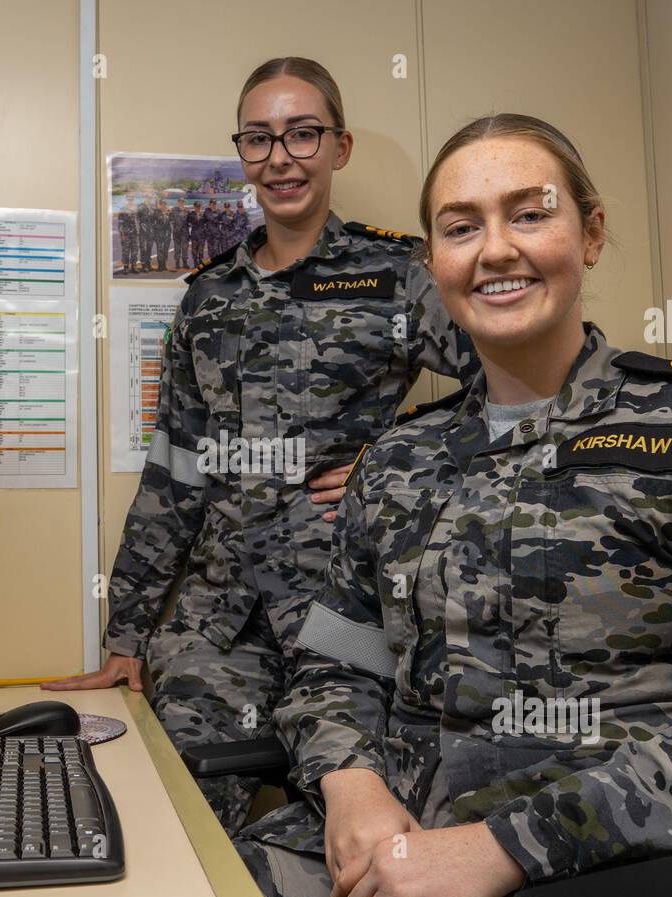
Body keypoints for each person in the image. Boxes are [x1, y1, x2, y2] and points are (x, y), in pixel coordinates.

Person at [232, 112, 672, 897]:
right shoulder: (395, 461)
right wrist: (351, 785)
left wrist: (505, 847)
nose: (496, 249)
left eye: (530, 213)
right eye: (461, 227)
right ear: (433, 263)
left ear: (591, 233)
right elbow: (334, 666)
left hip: (591, 879)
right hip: (377, 853)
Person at [47, 57, 473, 835]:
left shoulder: (398, 273)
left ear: (339, 147)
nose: (280, 157)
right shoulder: (209, 298)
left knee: (363, 838)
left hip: (351, 622)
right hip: (217, 627)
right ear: (241, 152)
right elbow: (173, 471)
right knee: (167, 829)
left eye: (302, 134)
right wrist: (125, 635)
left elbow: (512, 383)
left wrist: (391, 463)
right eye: (259, 138)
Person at [118, 195, 138, 274]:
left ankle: (134, 266)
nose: (130, 201)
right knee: (126, 251)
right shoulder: (123, 210)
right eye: (129, 200)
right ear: (126, 200)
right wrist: (122, 234)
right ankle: (126, 267)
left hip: (135, 234)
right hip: (126, 234)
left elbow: (137, 221)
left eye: (132, 200)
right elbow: (120, 224)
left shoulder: (136, 209)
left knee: (135, 251)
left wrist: (138, 232)